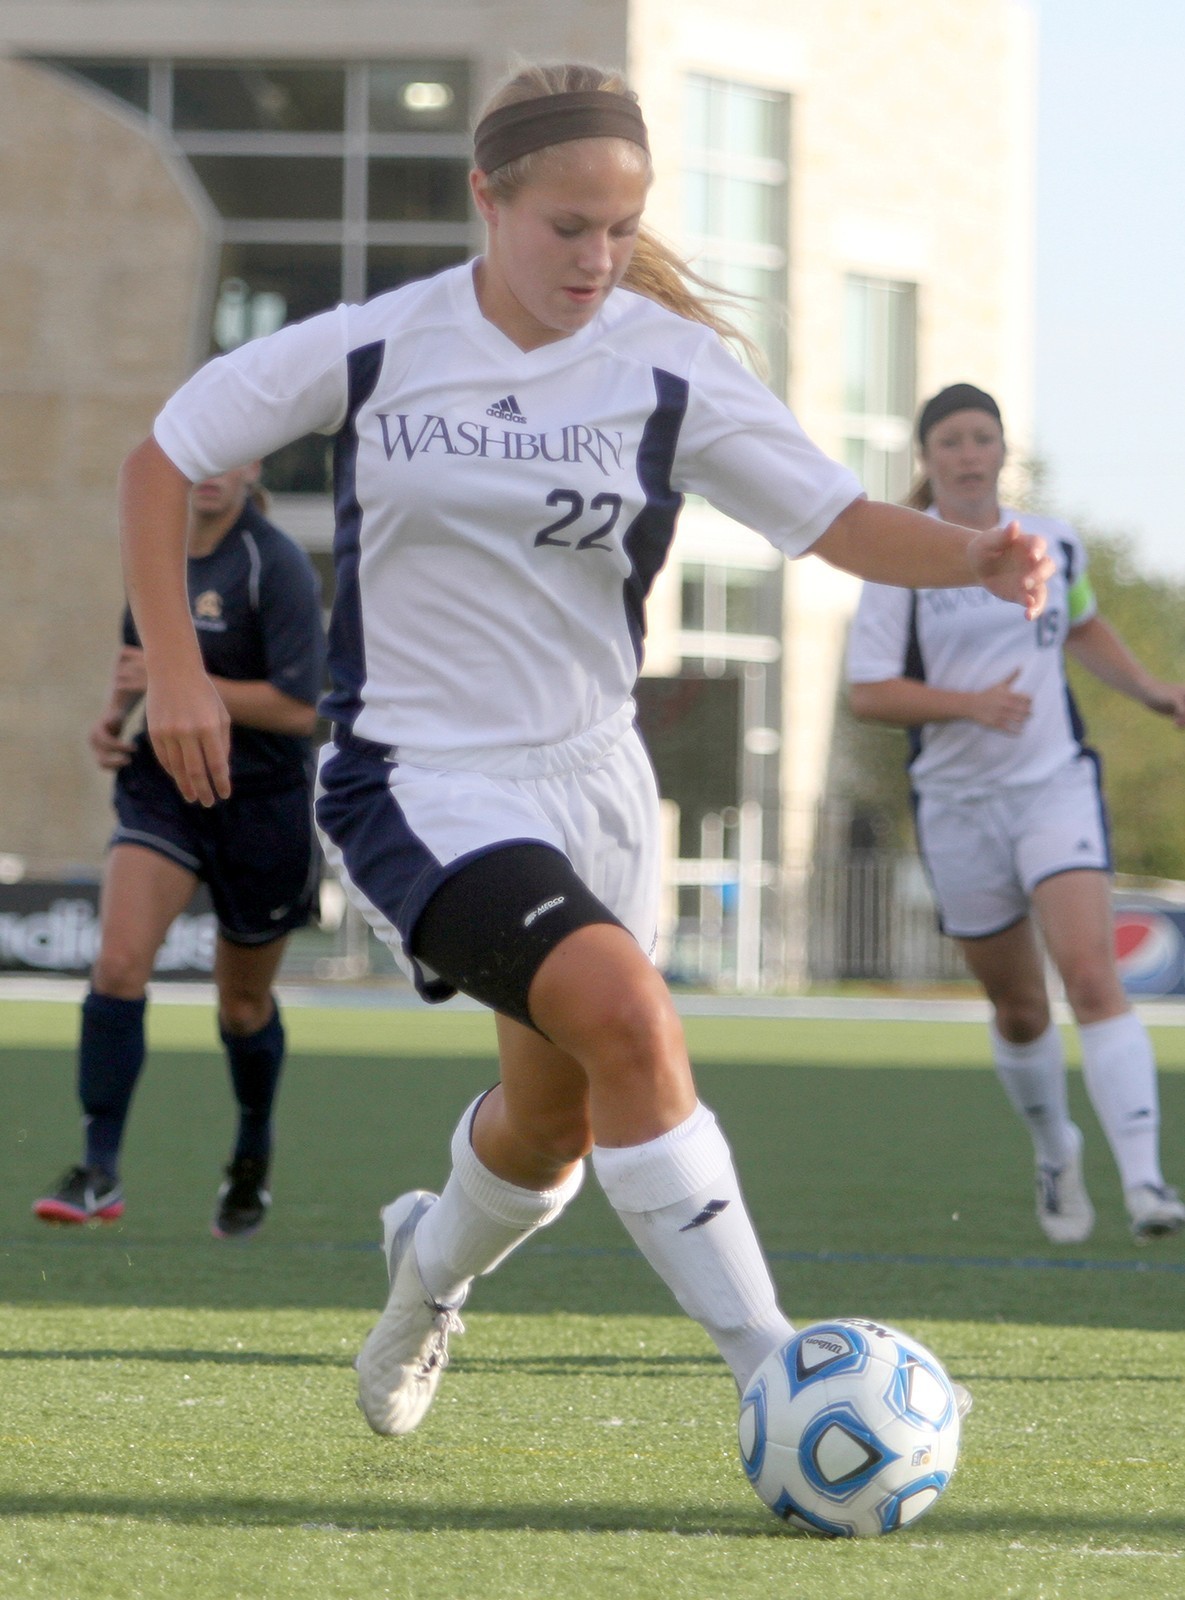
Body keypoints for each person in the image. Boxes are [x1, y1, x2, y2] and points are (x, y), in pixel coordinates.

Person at [114, 64, 1048, 1435]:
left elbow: (837, 519)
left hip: (594, 783)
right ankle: (780, 1376)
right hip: (417, 777)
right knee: (626, 1014)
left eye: (621, 228)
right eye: (567, 226)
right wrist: (180, 671)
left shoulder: (668, 369)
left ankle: (424, 1273)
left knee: (550, 1128)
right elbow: (160, 455)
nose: (596, 258)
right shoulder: (379, 343)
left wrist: (971, 553)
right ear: (488, 199)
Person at [846, 381, 1185, 1246]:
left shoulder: (1051, 544)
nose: (967, 455)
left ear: (1001, 452)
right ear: (925, 459)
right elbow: (869, 694)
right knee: (1021, 1010)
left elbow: (1081, 626)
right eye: (950, 441)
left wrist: (1151, 691)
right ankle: (1053, 1147)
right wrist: (965, 704)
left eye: (981, 439)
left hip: (1053, 788)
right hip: (958, 807)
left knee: (1091, 975)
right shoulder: (900, 564)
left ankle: (1147, 1183)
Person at [34, 465, 326, 1239]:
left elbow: (300, 707)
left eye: (229, 456)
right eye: (197, 455)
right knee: (118, 966)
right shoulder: (155, 552)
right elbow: (139, 655)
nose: (208, 473)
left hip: (260, 805)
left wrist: (182, 676)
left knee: (241, 1007)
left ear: (252, 468)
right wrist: (114, 715)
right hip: (164, 788)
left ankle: (251, 1155)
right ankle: (99, 1170)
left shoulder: (276, 563)